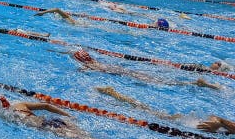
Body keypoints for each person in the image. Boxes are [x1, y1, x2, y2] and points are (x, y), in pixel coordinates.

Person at [0, 94, 118, 139]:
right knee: (89, 137)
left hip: (48, 126)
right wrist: (68, 115)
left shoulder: (6, 115)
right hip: (53, 120)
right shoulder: (20, 104)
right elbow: (46, 105)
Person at [72, 49, 219, 87]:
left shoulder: (91, 66)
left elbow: (83, 70)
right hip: (127, 72)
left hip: (127, 75)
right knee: (159, 80)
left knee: (159, 82)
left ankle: (193, 83)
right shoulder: (96, 62)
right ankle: (192, 83)